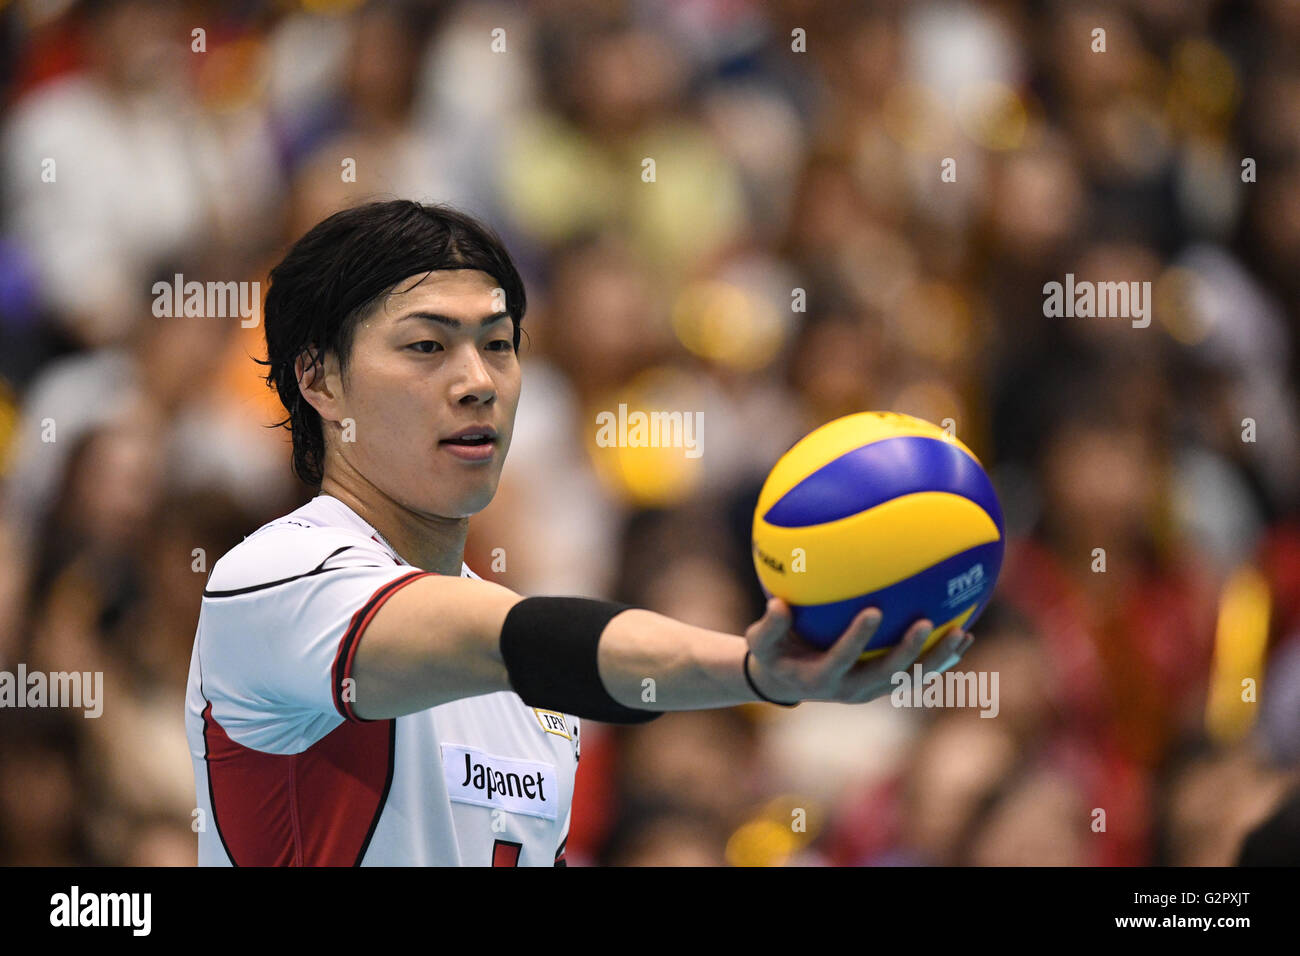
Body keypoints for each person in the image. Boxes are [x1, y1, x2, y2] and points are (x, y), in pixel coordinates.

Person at [183, 200, 974, 866]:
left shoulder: (543, 709)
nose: (477, 382)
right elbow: (515, 641)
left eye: (498, 344)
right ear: (318, 378)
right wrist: (754, 672)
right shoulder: (277, 579)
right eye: (427, 346)